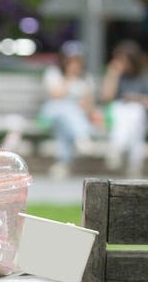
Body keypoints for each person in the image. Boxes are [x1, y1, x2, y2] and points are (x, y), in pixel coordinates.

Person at [39, 43, 96, 178]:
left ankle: (62, 163)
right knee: (67, 108)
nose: (75, 63)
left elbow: (89, 107)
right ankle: (82, 137)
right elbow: (56, 95)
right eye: (71, 60)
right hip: (50, 114)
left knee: (65, 124)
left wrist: (84, 105)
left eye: (77, 60)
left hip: (72, 120)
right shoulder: (53, 72)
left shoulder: (86, 78)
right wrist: (70, 77)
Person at [101, 40, 148, 176]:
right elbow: (107, 98)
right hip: (118, 114)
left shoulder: (143, 78)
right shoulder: (116, 76)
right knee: (128, 115)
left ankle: (117, 146)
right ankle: (134, 165)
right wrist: (113, 73)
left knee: (134, 112)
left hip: (138, 116)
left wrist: (135, 99)